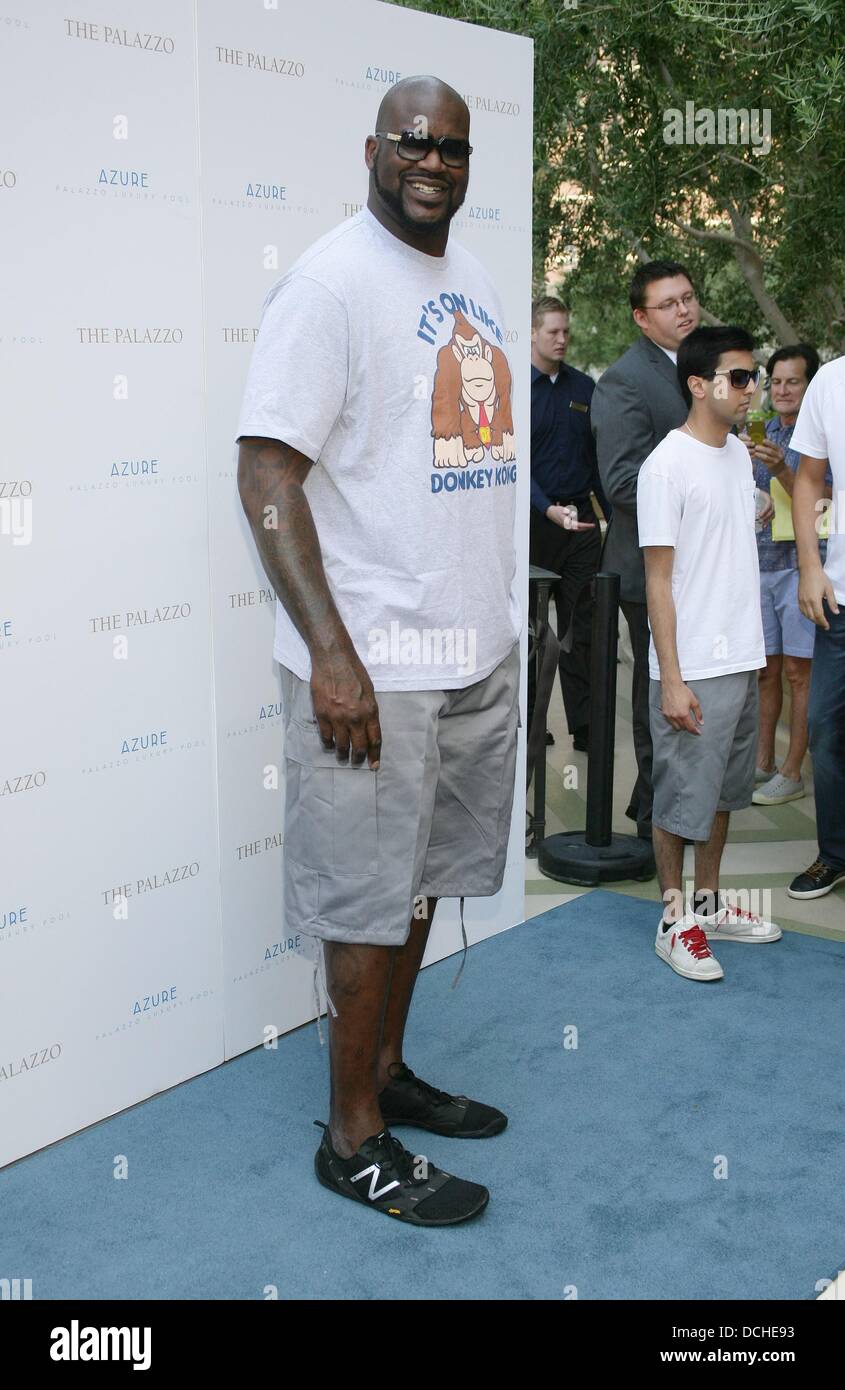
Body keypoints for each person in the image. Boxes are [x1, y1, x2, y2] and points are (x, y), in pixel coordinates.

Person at [236, 77, 521, 1228]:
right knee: (363, 901)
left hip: (469, 652)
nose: (431, 160)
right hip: (373, 668)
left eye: (450, 145)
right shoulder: (329, 282)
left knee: (416, 889)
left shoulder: (475, 278)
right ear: (372, 149)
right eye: (412, 140)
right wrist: (332, 657)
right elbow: (265, 475)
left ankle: (387, 1069)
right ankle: (351, 1135)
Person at [638, 326, 782, 982]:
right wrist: (671, 677)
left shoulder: (735, 455)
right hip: (691, 664)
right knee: (678, 800)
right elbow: (657, 579)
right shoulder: (665, 465)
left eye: (754, 375)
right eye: (740, 377)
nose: (752, 388)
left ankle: (707, 903)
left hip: (741, 656)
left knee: (721, 795)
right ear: (699, 385)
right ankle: (673, 919)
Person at [592, 261, 701, 838]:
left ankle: (662, 808)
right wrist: (703, 500)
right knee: (658, 693)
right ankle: (655, 827)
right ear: (642, 317)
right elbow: (622, 484)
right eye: (668, 304)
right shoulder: (625, 381)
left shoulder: (700, 371)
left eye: (688, 298)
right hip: (647, 571)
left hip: (701, 570)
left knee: (690, 688)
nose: (684, 310)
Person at [747, 344, 831, 805]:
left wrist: (779, 467)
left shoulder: (823, 434)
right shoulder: (763, 429)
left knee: (800, 673)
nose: (781, 390)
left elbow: (823, 506)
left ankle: (792, 770)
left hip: (804, 567)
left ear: (811, 385)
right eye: (775, 381)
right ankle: (762, 763)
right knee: (766, 672)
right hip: (760, 565)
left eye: (793, 381)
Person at [528, 295, 611, 751]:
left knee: (582, 629)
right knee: (533, 632)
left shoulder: (585, 388)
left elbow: (597, 459)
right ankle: (531, 725)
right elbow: (515, 463)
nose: (561, 339)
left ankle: (586, 728)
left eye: (566, 332)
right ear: (534, 332)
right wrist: (545, 509)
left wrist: (611, 518)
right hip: (535, 529)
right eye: (552, 332)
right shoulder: (516, 387)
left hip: (580, 526)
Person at [787, 354, 845, 900]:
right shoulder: (831, 380)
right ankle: (835, 854)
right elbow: (808, 479)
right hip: (840, 597)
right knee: (826, 731)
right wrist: (811, 565)